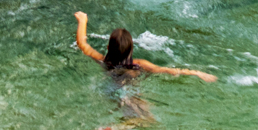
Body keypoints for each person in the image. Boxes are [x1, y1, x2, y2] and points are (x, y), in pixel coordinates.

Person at [72, 12, 216, 83]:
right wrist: (196, 73)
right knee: (145, 118)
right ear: (131, 48)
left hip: (112, 87)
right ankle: (121, 128)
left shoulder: (103, 61)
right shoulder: (138, 64)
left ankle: (118, 129)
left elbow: (82, 44)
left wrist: (83, 21)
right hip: (131, 88)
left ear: (109, 47)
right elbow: (165, 70)